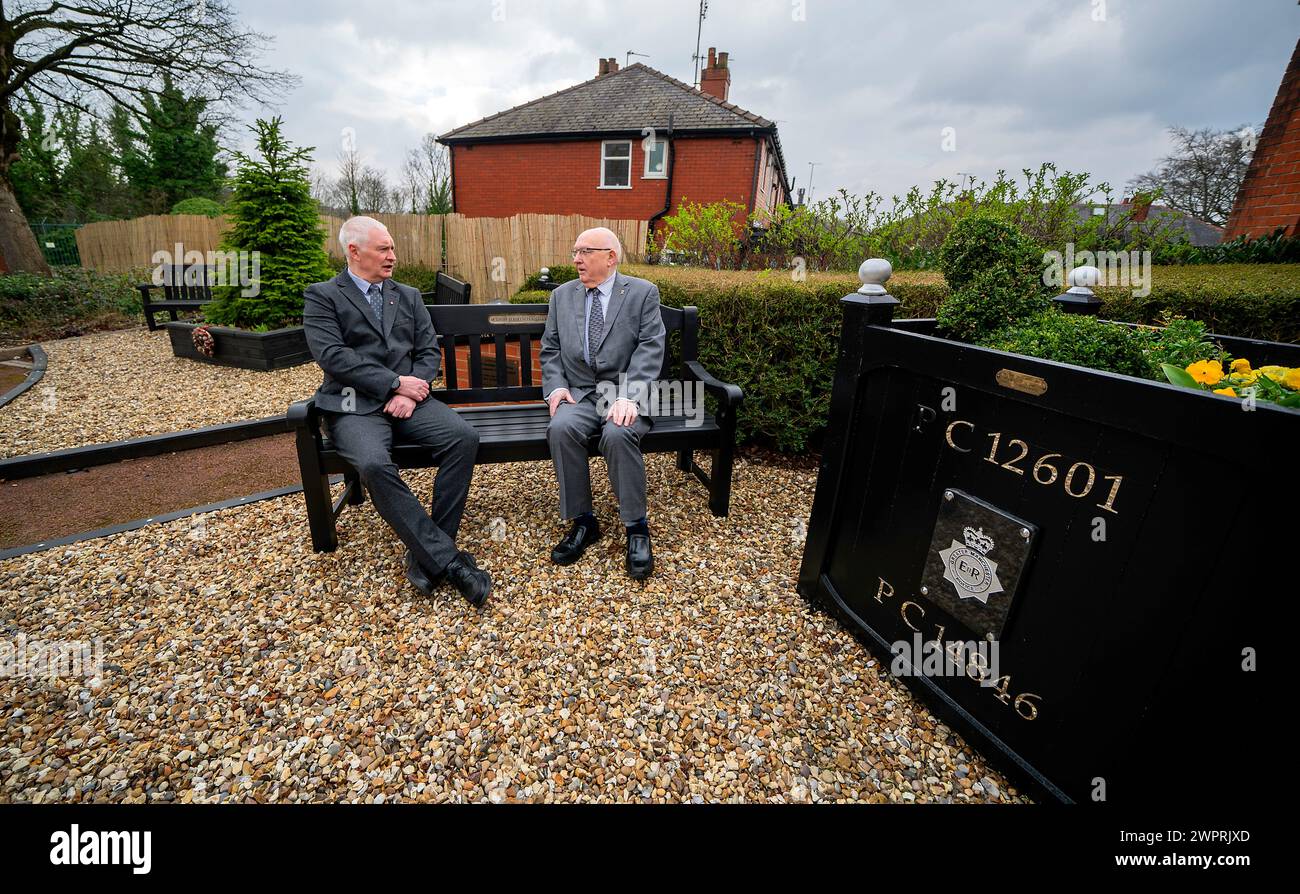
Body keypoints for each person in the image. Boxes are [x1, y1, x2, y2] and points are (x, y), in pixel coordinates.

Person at [302, 216, 491, 608]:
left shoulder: (407, 295)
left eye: (392, 248)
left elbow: (427, 353)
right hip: (354, 407)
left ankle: (428, 549)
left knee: (463, 438)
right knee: (373, 465)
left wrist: (409, 391)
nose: (393, 256)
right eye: (383, 249)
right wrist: (392, 383)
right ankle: (449, 560)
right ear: (354, 252)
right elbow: (333, 356)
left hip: (409, 402)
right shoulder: (322, 296)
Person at [540, 227, 666, 580]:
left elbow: (650, 346)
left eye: (585, 251)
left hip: (625, 392)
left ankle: (636, 527)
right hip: (580, 392)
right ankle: (583, 522)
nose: (576, 259)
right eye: (575, 251)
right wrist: (556, 388)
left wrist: (629, 396)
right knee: (561, 428)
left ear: (611, 256)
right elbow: (550, 349)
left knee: (618, 433)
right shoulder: (562, 296)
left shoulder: (642, 293)